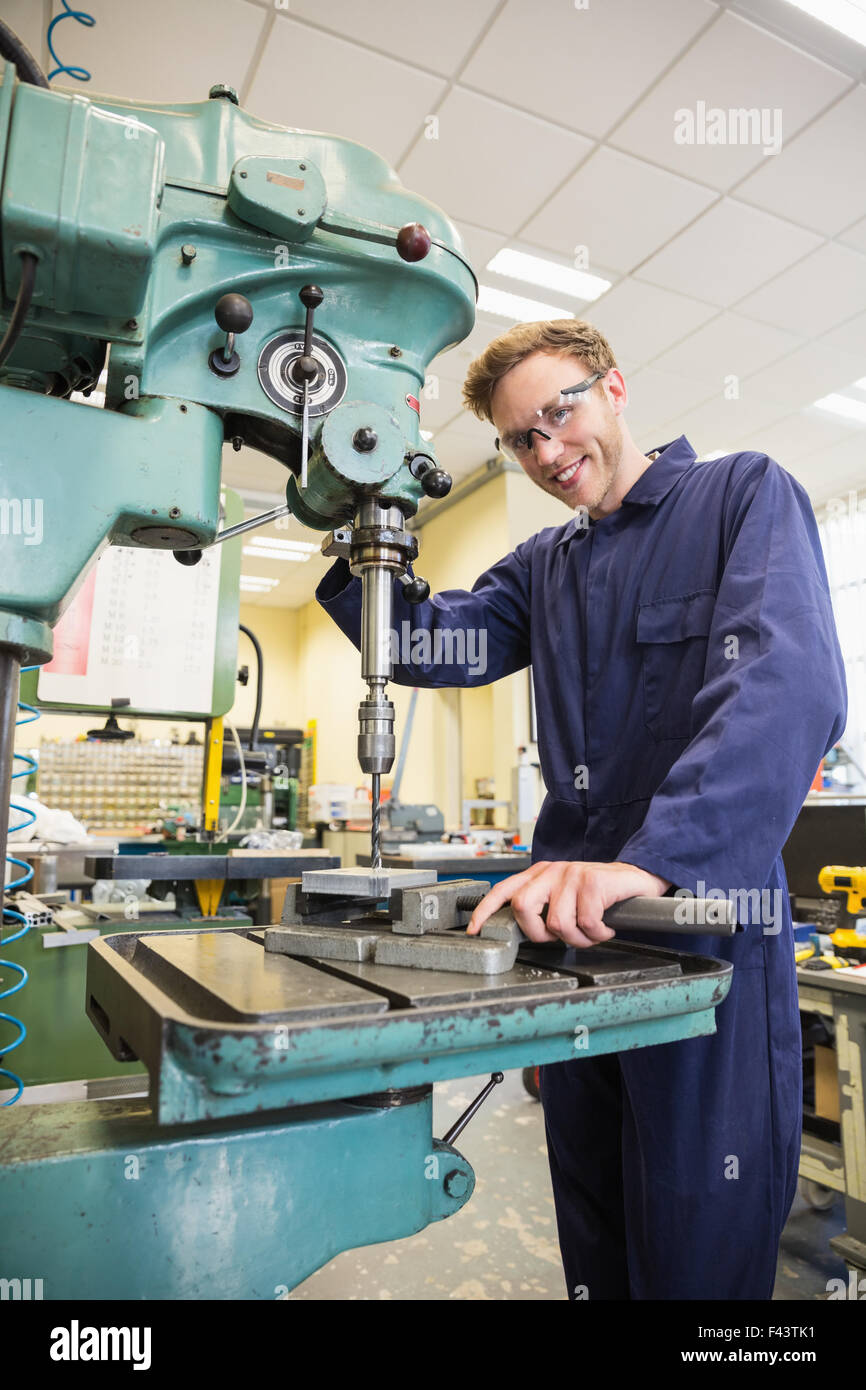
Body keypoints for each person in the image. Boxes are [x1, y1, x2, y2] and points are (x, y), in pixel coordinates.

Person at [316, 319, 847, 1300]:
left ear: (613, 388)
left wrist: (652, 857)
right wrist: (358, 542)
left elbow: (788, 681)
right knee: (594, 1234)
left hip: (702, 937)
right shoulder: (541, 565)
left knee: (697, 1243)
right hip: (572, 942)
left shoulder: (739, 495)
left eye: (557, 413)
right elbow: (431, 647)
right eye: (519, 440)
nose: (547, 453)